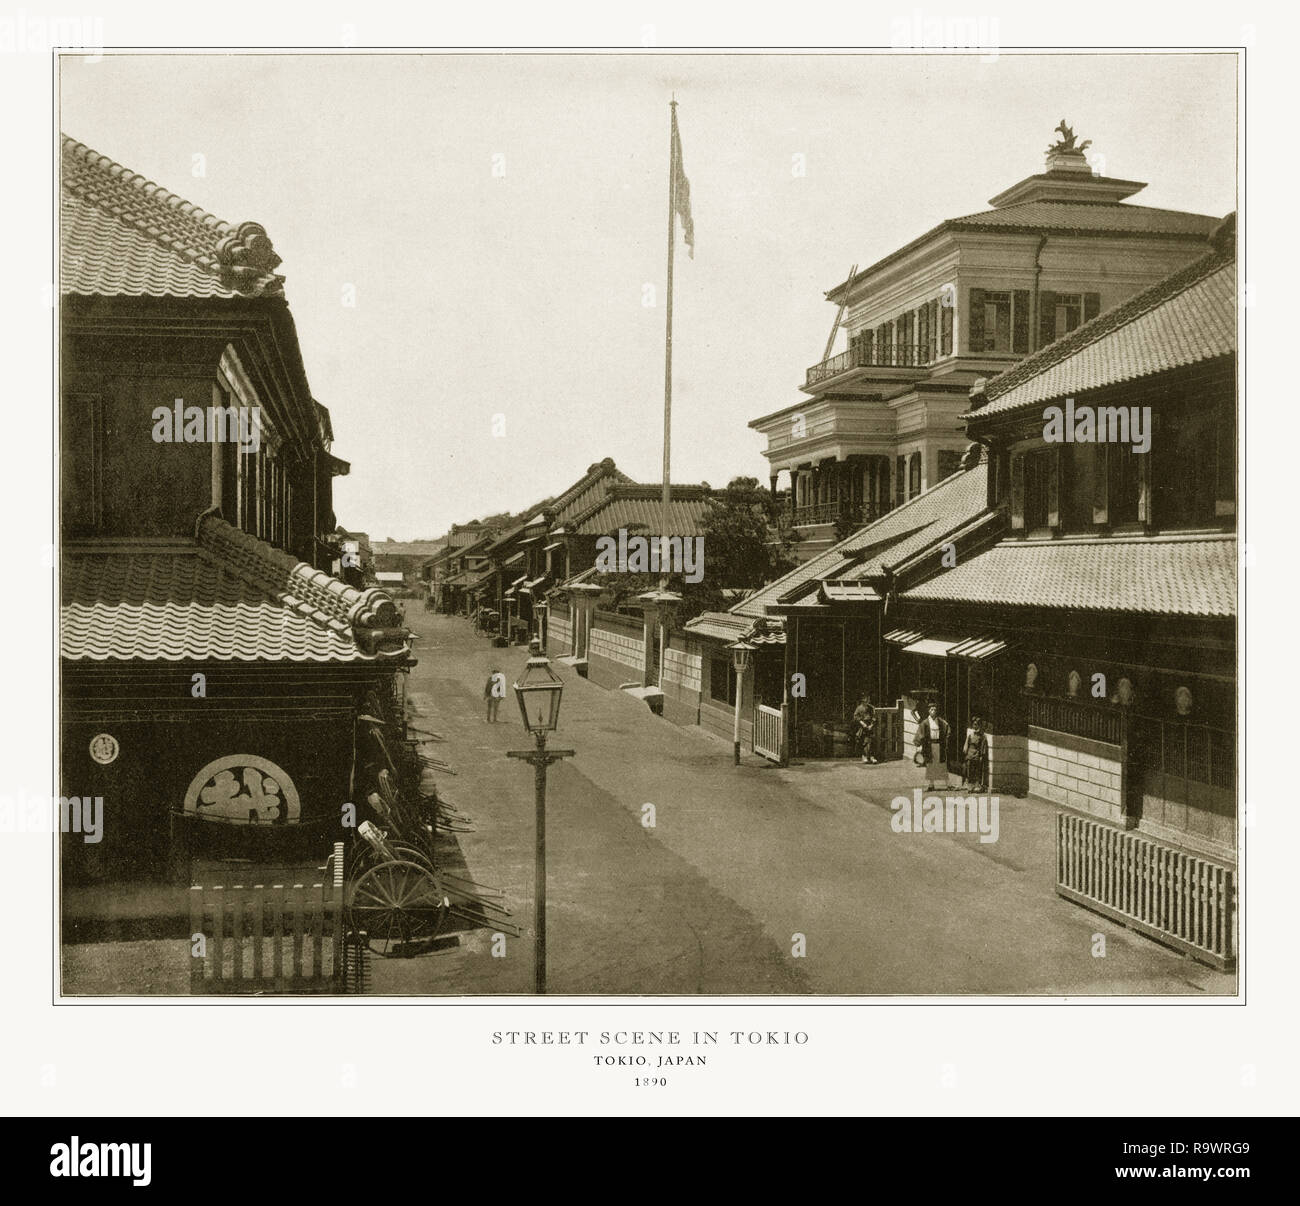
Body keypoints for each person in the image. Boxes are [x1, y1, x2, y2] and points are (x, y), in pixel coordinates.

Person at [914, 703, 950, 791]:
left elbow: (947, 727)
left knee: (941, 764)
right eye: (931, 709)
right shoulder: (925, 722)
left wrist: (946, 737)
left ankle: (947, 784)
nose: (933, 711)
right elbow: (920, 734)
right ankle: (931, 784)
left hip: (939, 745)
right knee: (930, 765)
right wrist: (919, 744)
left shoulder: (940, 721)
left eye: (935, 709)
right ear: (928, 711)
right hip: (930, 746)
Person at [962, 716, 989, 792]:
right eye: (974, 724)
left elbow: (983, 747)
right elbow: (966, 745)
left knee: (977, 771)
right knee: (969, 771)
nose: (975, 726)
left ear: (979, 725)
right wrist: (966, 752)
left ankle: (977, 786)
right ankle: (970, 786)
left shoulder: (982, 736)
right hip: (970, 754)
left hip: (977, 754)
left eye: (976, 724)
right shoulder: (970, 735)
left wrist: (981, 756)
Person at [852, 696, 878, 764]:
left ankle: (872, 757)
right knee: (864, 741)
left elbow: (874, 717)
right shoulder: (859, 708)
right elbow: (856, 716)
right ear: (862, 700)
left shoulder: (871, 708)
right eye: (865, 699)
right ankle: (865, 756)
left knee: (871, 741)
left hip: (870, 726)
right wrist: (862, 723)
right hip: (863, 726)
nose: (866, 701)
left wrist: (871, 725)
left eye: (868, 699)